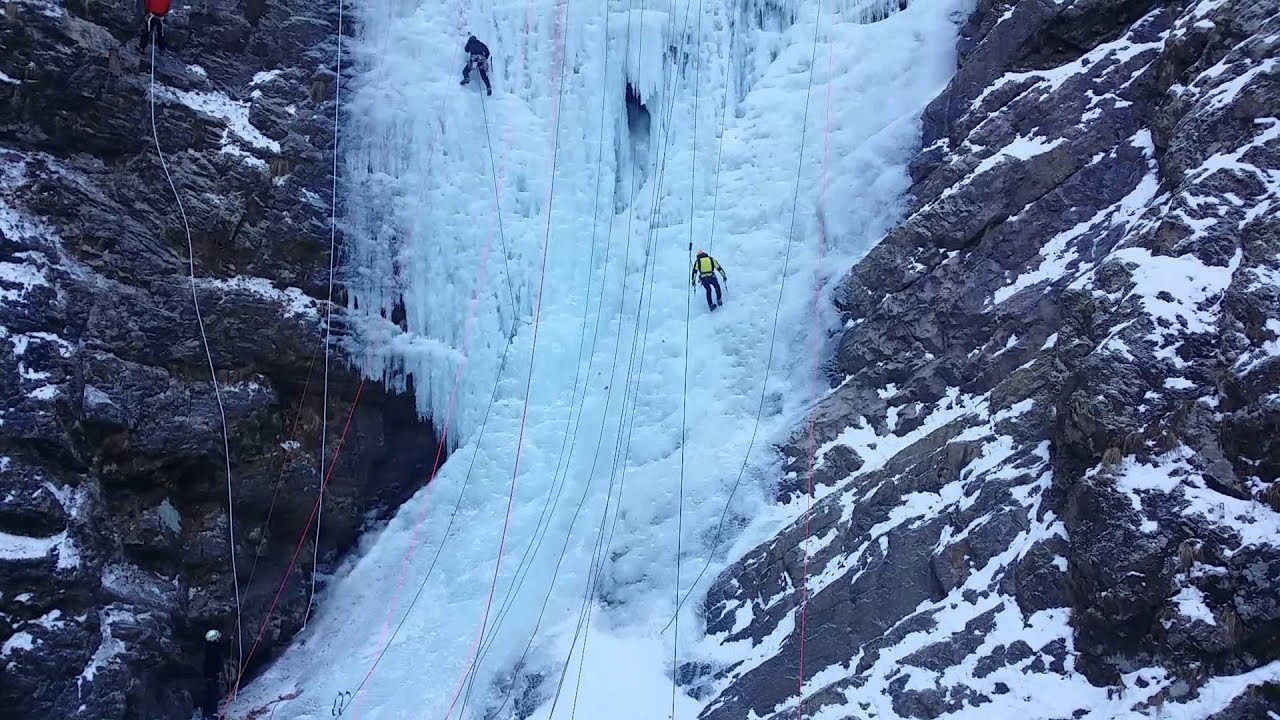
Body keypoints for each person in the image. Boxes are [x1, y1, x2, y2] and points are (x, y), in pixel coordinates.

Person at [201, 629, 223, 719]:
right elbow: (218, 652)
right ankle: (212, 715)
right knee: (212, 695)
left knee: (209, 695)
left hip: (209, 675)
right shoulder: (212, 649)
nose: (219, 639)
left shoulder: (210, 647)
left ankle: (206, 715)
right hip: (211, 676)